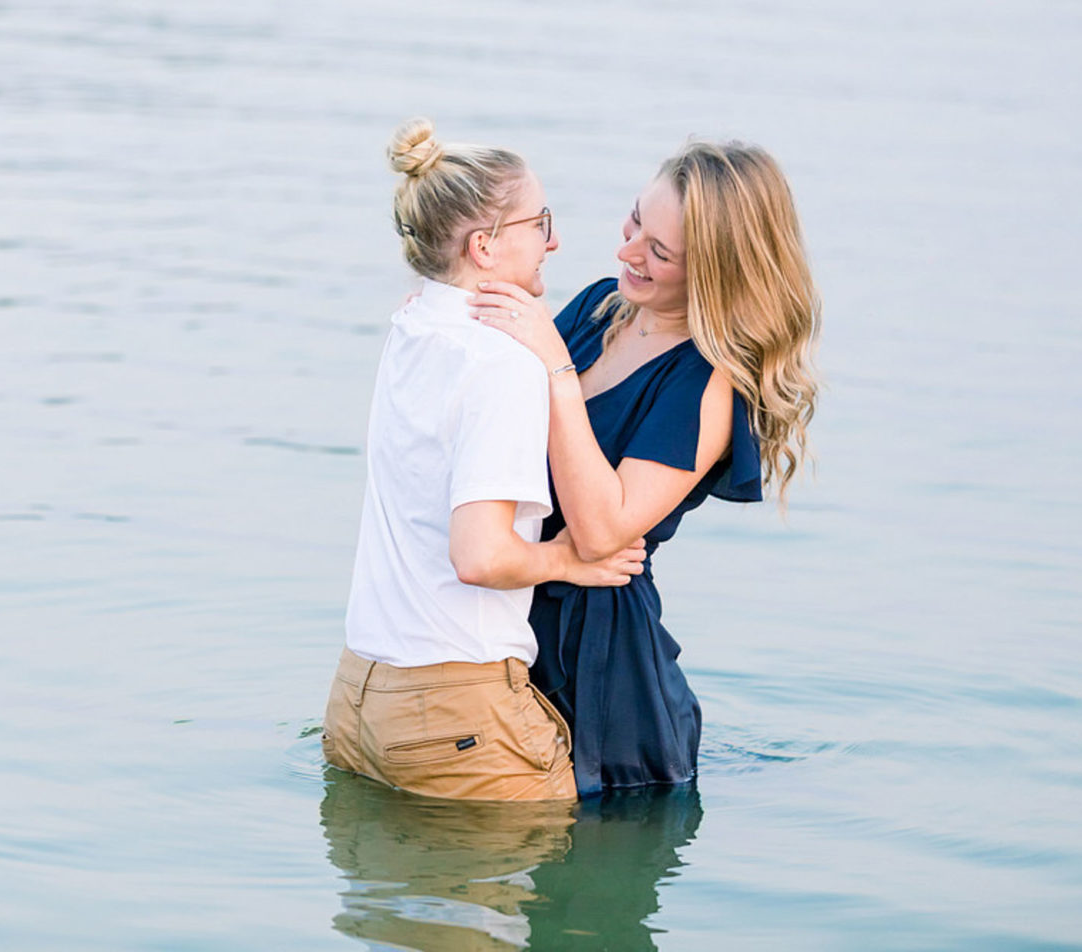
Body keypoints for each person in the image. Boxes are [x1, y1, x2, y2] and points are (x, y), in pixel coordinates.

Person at [469, 140, 820, 795]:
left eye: (658, 251)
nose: (626, 252)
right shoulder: (596, 308)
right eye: (634, 221)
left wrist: (556, 369)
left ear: (714, 273)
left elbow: (602, 531)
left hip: (603, 681)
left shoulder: (705, 382)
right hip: (507, 624)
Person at [321, 118, 646, 802]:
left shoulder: (411, 325)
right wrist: (570, 561)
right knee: (555, 861)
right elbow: (480, 556)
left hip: (358, 699)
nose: (553, 241)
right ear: (484, 246)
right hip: (455, 709)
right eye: (540, 223)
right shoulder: (503, 363)